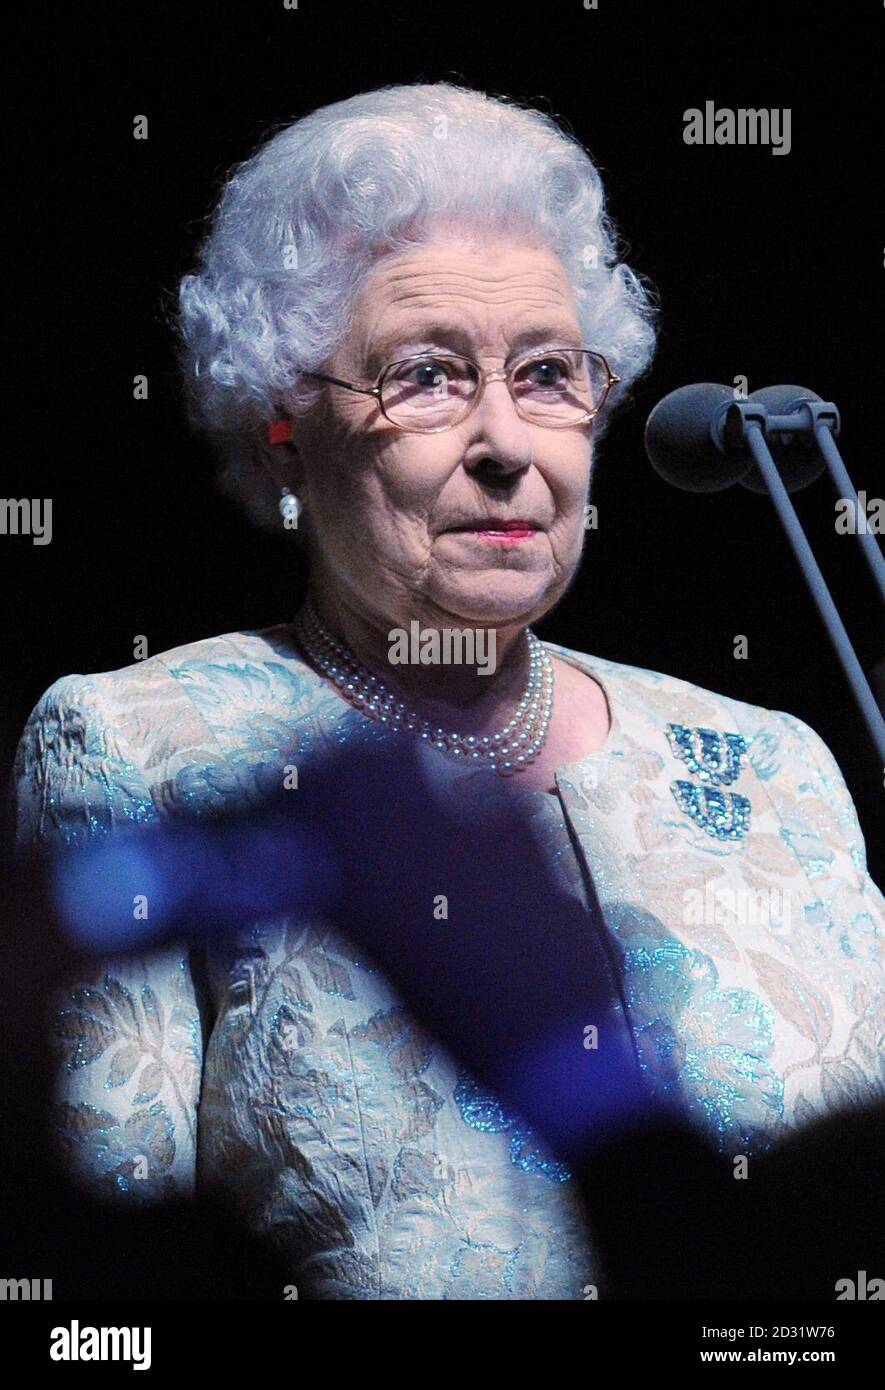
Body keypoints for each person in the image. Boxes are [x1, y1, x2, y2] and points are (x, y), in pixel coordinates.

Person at [12, 81, 884, 1301]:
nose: (508, 443)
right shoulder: (140, 742)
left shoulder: (773, 759)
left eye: (547, 374)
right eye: (426, 376)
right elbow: (101, 1300)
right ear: (287, 429)